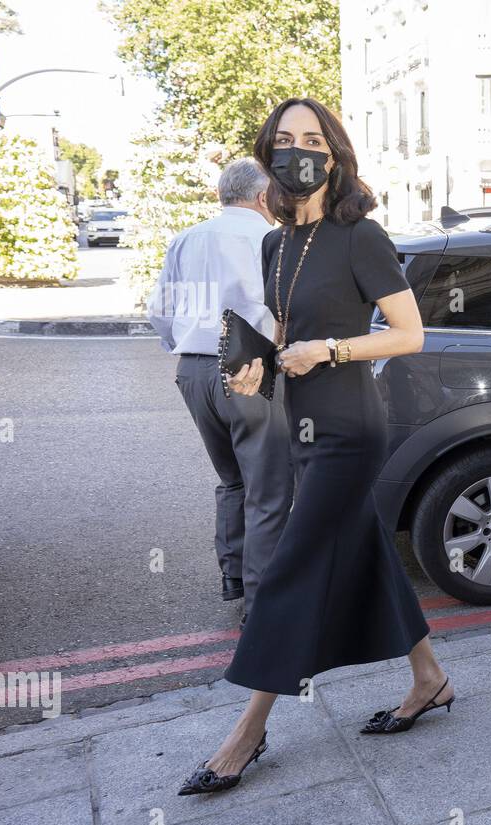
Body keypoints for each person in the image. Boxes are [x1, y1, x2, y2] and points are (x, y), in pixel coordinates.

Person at [179, 98, 452, 797]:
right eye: (284, 139)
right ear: (268, 154)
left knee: (292, 566)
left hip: (350, 429)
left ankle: (248, 731)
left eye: (312, 139)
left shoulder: (361, 236)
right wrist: (257, 365)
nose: (297, 151)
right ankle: (428, 678)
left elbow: (410, 334)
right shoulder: (275, 244)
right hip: (299, 422)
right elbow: (283, 337)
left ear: (334, 154)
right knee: (366, 551)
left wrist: (329, 349)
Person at [146, 158, 292, 624]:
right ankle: (262, 604)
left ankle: (234, 576)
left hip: (192, 370)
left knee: (233, 479)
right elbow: (280, 311)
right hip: (248, 368)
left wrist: (187, 347)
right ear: (263, 197)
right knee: (268, 490)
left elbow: (159, 311)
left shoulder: (186, 238)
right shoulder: (269, 239)